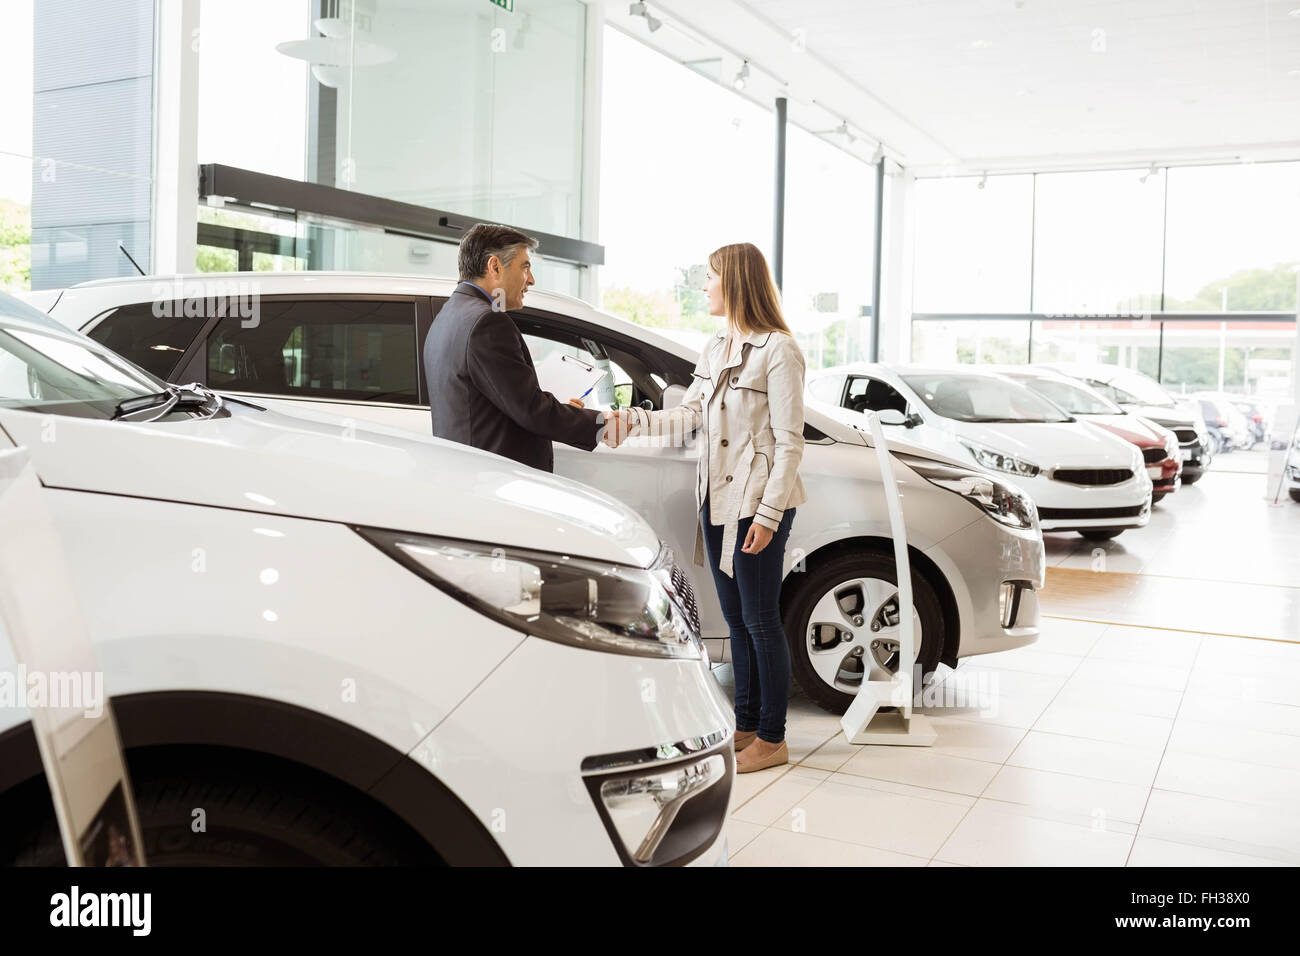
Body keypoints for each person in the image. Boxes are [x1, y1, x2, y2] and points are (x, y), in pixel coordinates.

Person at [605, 242, 806, 773]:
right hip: (715, 500)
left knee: (762, 620)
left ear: (735, 282)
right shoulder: (716, 346)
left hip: (757, 503)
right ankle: (744, 726)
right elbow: (691, 413)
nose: (704, 287)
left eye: (710, 277)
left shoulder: (778, 350)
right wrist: (634, 423)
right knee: (736, 619)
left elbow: (790, 444)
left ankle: (774, 737)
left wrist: (766, 516)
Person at [423, 223, 606, 472]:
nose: (531, 279)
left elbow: (498, 402)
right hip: (494, 482)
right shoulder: (487, 322)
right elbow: (532, 412)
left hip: (466, 474)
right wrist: (603, 424)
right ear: (495, 266)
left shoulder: (448, 315)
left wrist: (556, 408)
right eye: (525, 267)